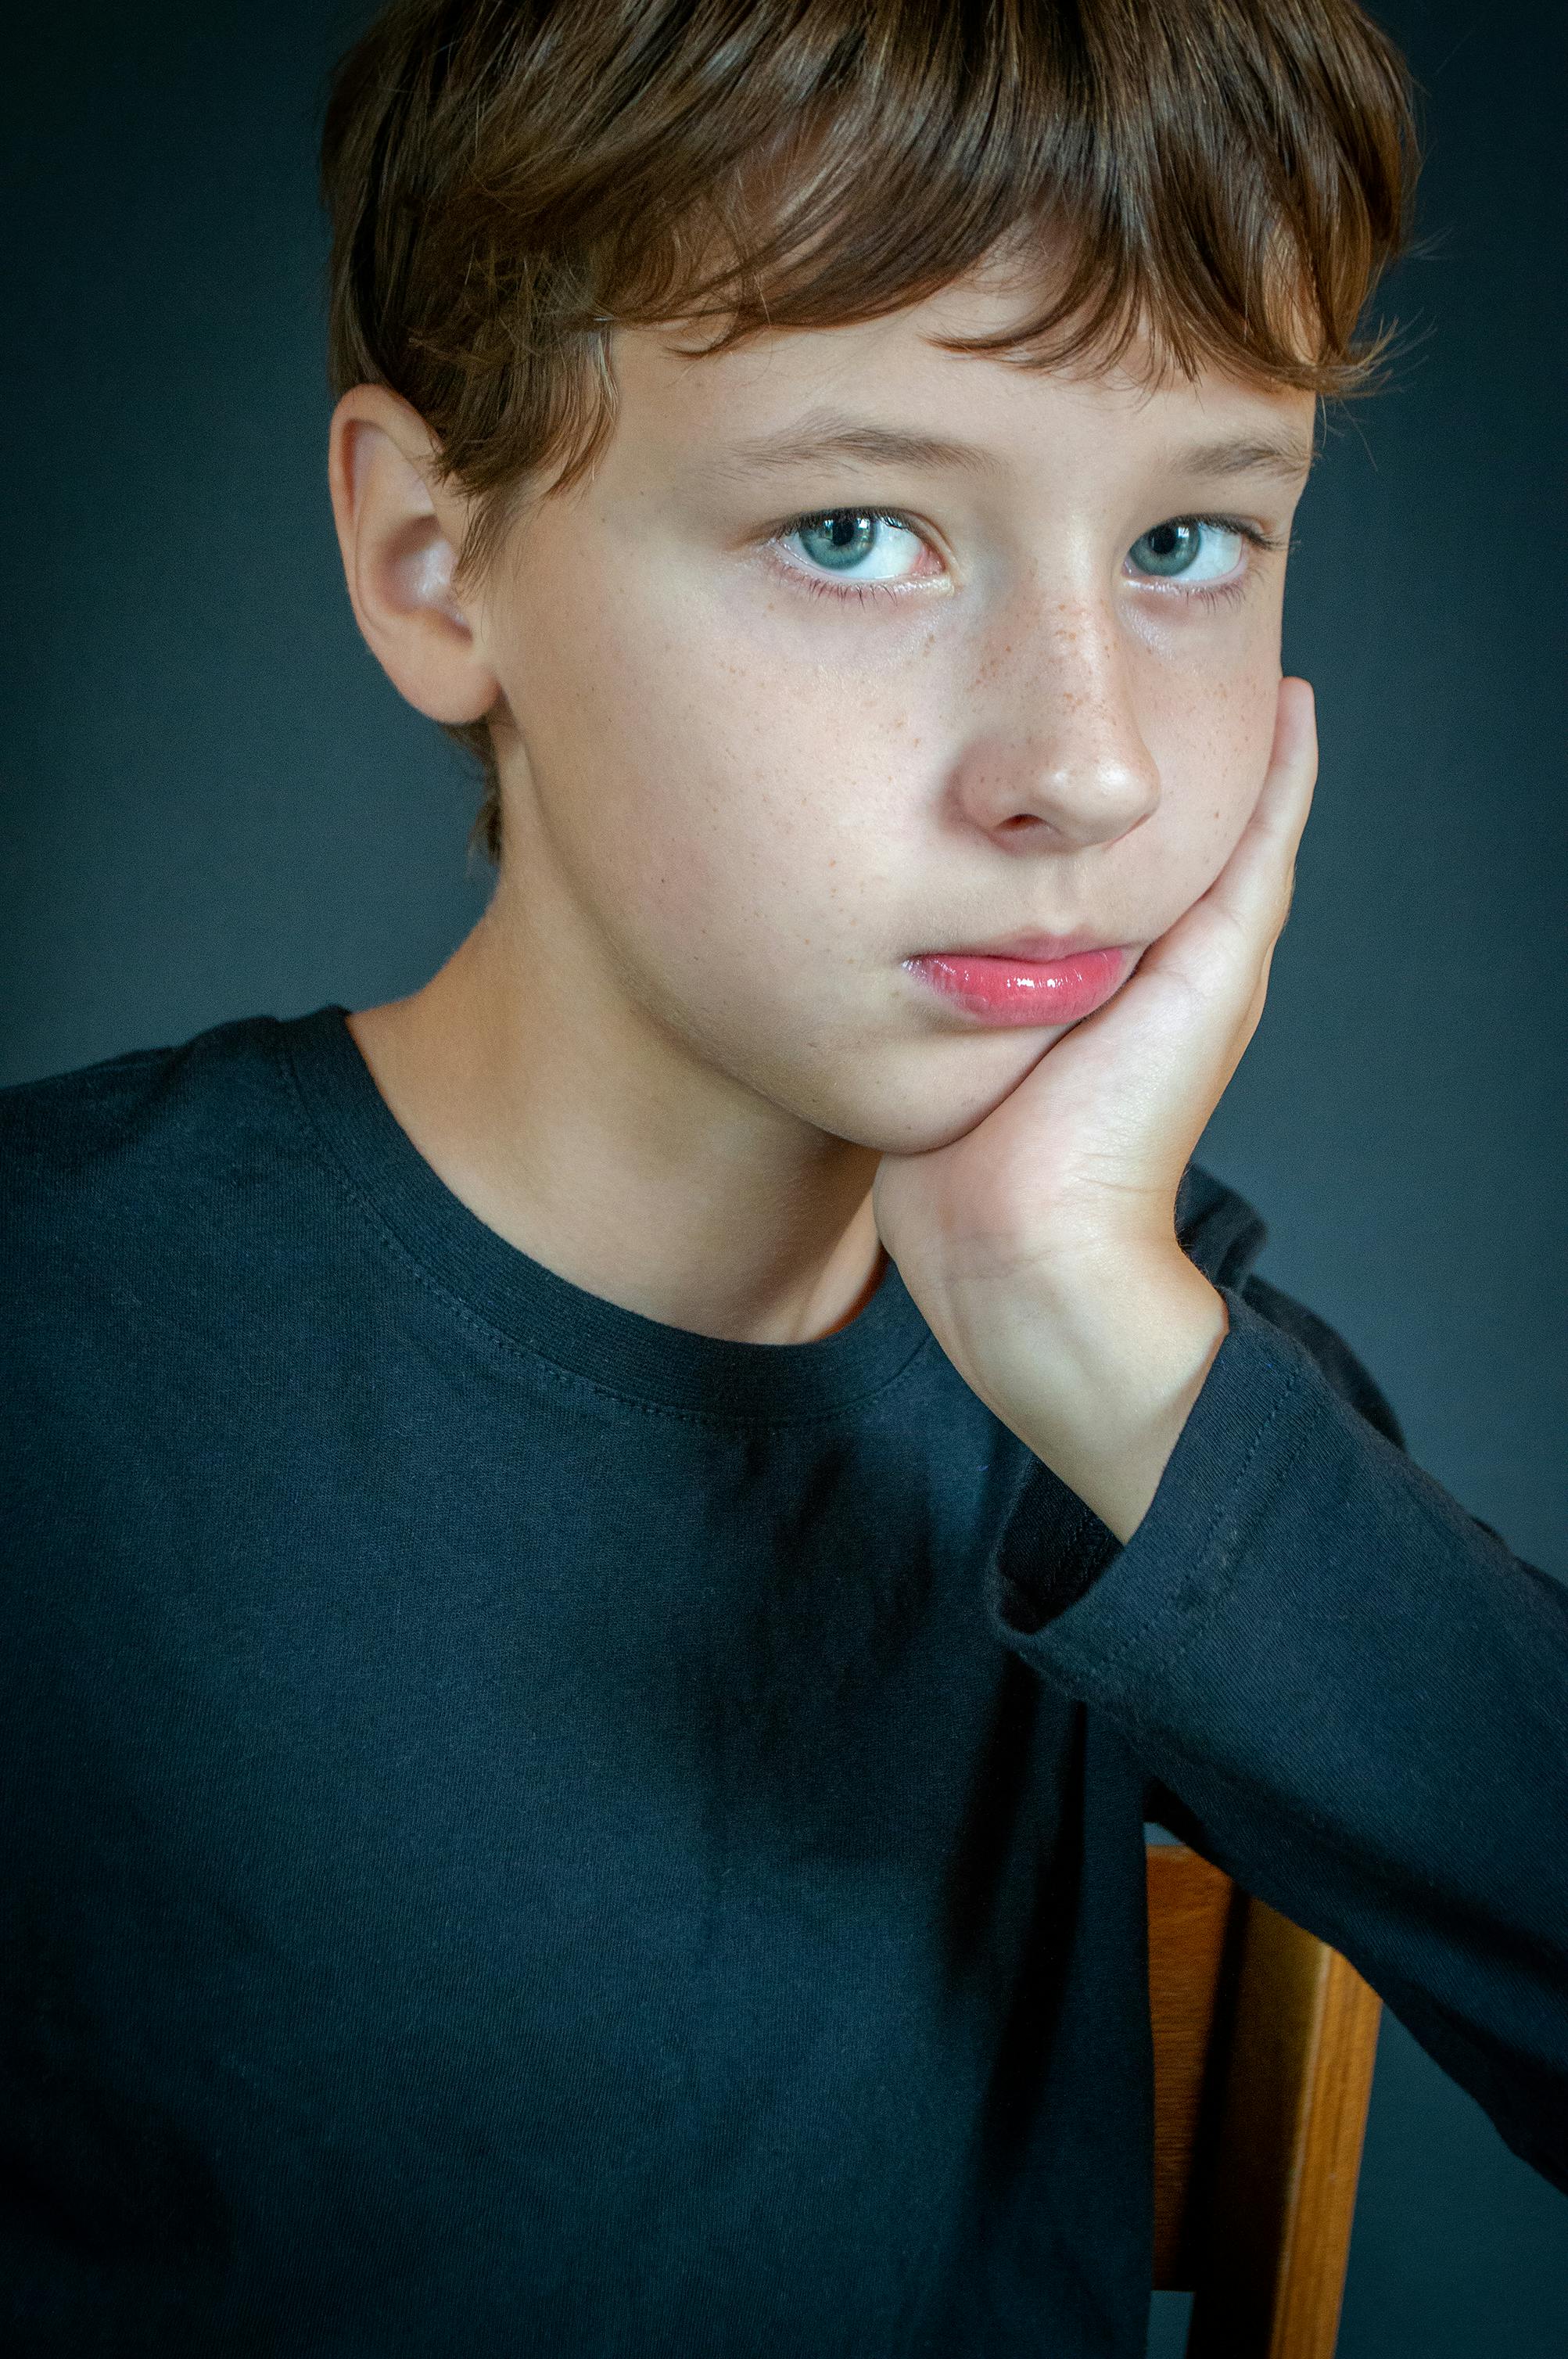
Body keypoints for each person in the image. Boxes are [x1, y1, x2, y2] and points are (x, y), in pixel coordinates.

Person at [3, 1, 1564, 2352]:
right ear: (439, 563)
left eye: (1189, 541)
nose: (1091, 766)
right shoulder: (60, 1352)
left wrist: (1094, 1342)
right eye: (859, 533)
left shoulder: (1131, 1388)